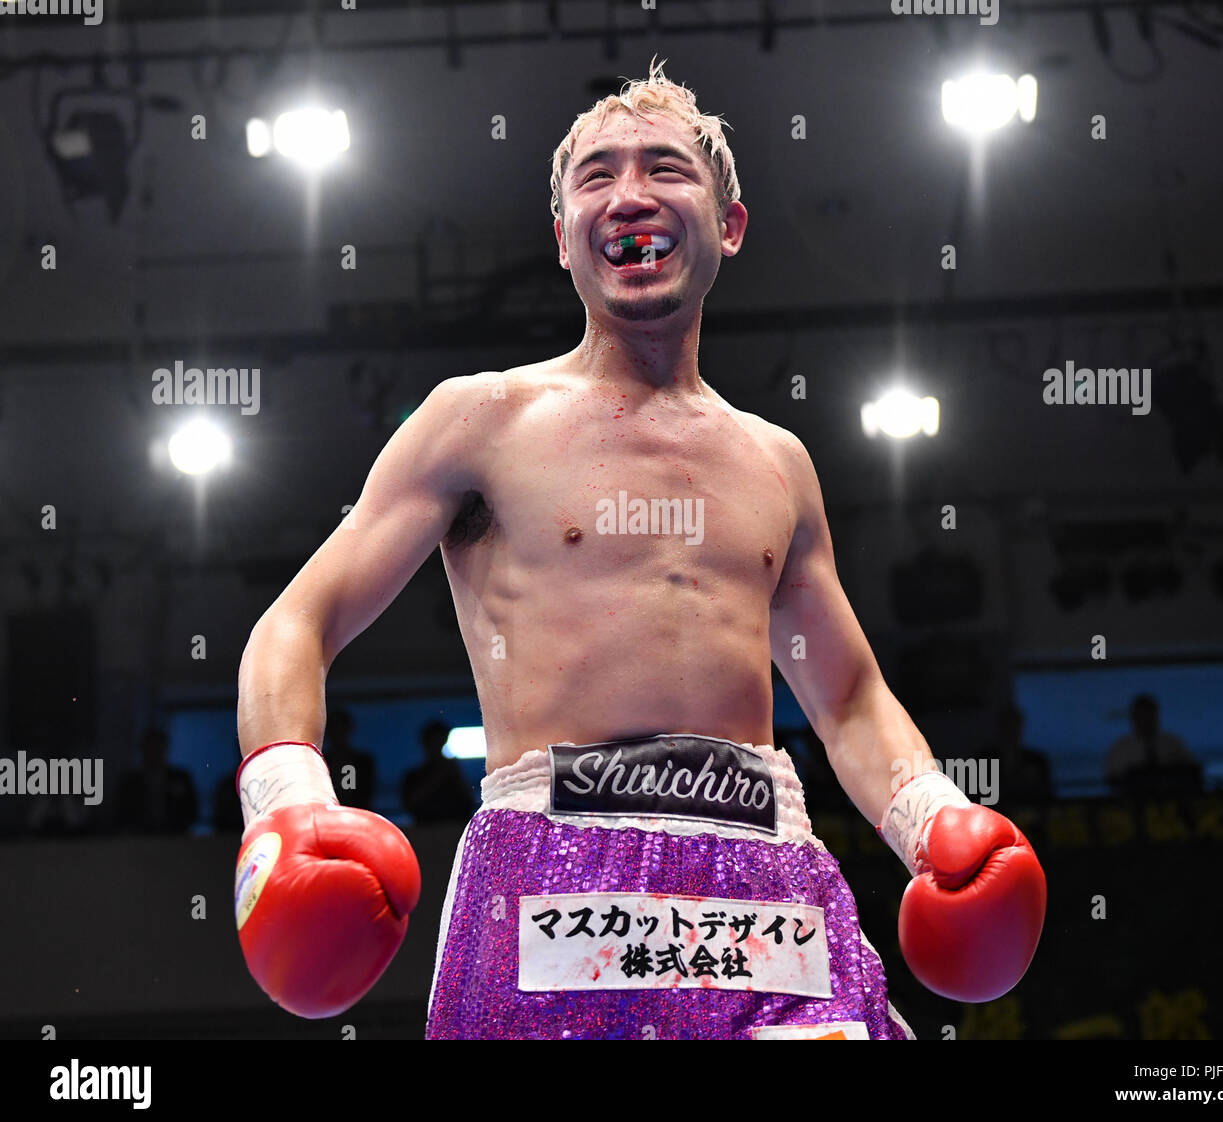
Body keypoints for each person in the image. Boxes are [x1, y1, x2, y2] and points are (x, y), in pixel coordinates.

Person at [233, 58, 1046, 1039]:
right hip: (552, 872)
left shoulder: (776, 460)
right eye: (595, 174)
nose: (629, 193)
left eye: (665, 167)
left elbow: (847, 697)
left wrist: (932, 820)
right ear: (563, 239)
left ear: (729, 225)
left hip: (765, 871)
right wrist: (284, 807)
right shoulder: (479, 420)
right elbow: (297, 622)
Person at [1105, 693, 1200, 797]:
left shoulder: (1172, 743)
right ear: (1133, 717)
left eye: (1149, 714)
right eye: (1142, 715)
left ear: (1156, 715)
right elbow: (1111, 779)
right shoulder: (1120, 749)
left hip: (1171, 800)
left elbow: (1191, 771)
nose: (1146, 720)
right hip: (1132, 802)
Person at [117, 726, 197, 835]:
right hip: (139, 838)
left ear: (164, 750)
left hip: (175, 837)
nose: (154, 754)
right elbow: (121, 814)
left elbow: (191, 811)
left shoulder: (180, 778)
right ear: (143, 750)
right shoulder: (129, 782)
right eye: (150, 749)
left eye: (158, 749)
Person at [970, 704, 1053, 806]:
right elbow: (975, 797)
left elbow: (1047, 796)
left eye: (1015, 726)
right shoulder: (983, 759)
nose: (1012, 731)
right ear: (1000, 728)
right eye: (1008, 726)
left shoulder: (1036, 761)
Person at [402, 721, 476, 823]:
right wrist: (439, 775)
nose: (437, 745)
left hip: (456, 827)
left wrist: (454, 774)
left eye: (440, 740)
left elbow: (470, 800)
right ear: (425, 743)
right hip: (426, 829)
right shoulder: (414, 776)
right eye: (434, 741)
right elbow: (411, 803)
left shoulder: (454, 771)